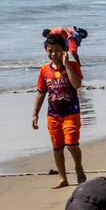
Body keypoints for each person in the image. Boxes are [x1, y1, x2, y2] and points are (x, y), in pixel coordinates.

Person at [33, 33, 85, 189]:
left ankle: (78, 167)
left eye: (57, 50)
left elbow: (76, 85)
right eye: (50, 50)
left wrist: (67, 65)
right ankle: (63, 178)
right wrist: (35, 114)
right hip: (53, 115)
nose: (53, 54)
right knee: (57, 147)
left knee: (71, 144)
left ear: (64, 50)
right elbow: (41, 93)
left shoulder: (73, 66)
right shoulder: (44, 71)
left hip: (71, 113)